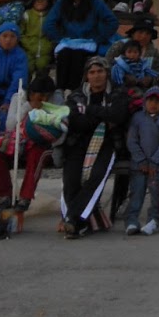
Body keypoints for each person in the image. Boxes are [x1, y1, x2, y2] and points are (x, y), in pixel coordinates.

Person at [60, 57, 131, 237]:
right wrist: (103, 117)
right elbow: (76, 122)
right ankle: (79, 223)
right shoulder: (76, 96)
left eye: (100, 71)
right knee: (70, 179)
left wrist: (89, 110)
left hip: (108, 143)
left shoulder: (118, 93)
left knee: (97, 176)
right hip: (77, 142)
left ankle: (73, 219)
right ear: (86, 76)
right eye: (92, 72)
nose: (96, 76)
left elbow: (117, 115)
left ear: (107, 74)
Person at [0, 70, 65, 214]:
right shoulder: (18, 98)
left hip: (41, 142)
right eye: (40, 96)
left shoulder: (56, 99)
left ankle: (25, 198)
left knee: (37, 155)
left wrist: (44, 111)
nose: (43, 99)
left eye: (46, 96)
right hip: (17, 140)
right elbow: (9, 125)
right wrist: (27, 107)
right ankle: (4, 196)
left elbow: (61, 123)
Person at [44, 0, 119, 93]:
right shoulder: (61, 3)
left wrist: (99, 38)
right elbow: (48, 24)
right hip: (68, 42)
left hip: (89, 42)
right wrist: (59, 39)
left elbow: (112, 21)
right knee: (64, 55)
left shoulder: (96, 3)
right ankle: (60, 90)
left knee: (79, 57)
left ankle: (75, 91)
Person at [124, 87, 159, 235]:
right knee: (136, 193)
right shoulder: (138, 118)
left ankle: (153, 220)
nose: (153, 104)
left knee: (156, 194)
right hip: (139, 166)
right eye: (150, 100)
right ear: (145, 101)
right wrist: (141, 160)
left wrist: (154, 161)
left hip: (157, 167)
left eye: (157, 101)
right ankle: (132, 221)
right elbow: (132, 141)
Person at [20, 0, 55, 76]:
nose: (40, 2)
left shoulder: (51, 15)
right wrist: (27, 44)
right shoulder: (27, 15)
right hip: (28, 50)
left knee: (42, 66)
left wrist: (50, 45)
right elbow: (20, 33)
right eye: (37, 0)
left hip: (45, 51)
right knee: (27, 67)